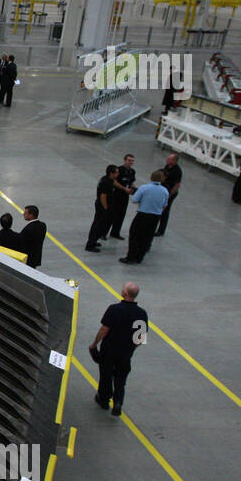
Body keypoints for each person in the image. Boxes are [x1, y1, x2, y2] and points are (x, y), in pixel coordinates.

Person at [88, 281, 147, 417]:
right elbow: (141, 338)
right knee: (120, 378)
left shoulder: (114, 309)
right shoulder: (141, 313)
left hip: (109, 350)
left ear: (124, 293)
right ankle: (118, 402)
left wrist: (94, 343)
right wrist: (131, 349)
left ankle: (103, 400)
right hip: (126, 353)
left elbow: (104, 330)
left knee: (106, 375)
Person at [119, 170, 168, 264]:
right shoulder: (164, 190)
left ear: (151, 177)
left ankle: (130, 257)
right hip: (155, 216)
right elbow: (165, 204)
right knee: (147, 237)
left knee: (135, 235)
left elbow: (134, 199)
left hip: (143, 214)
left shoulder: (144, 188)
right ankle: (139, 257)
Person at [85, 164, 118, 252]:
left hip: (104, 205)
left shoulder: (108, 180)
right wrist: (105, 208)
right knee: (97, 224)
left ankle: (94, 240)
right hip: (102, 206)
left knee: (101, 224)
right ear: (112, 173)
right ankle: (90, 244)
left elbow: (115, 184)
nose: (118, 174)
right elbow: (103, 196)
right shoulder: (106, 182)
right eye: (116, 172)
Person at [108, 153, 136, 239]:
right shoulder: (119, 170)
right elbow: (114, 181)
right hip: (116, 194)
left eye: (132, 161)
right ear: (125, 160)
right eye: (129, 160)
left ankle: (115, 232)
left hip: (125, 196)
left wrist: (133, 189)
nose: (130, 162)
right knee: (112, 214)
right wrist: (124, 188)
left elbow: (131, 182)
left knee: (121, 214)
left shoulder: (132, 171)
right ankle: (103, 232)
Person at [155, 153, 181, 236]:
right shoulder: (167, 166)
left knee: (165, 211)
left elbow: (177, 185)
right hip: (164, 190)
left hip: (170, 193)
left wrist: (168, 196)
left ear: (174, 161)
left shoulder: (177, 171)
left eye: (169, 159)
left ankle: (161, 230)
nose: (167, 160)